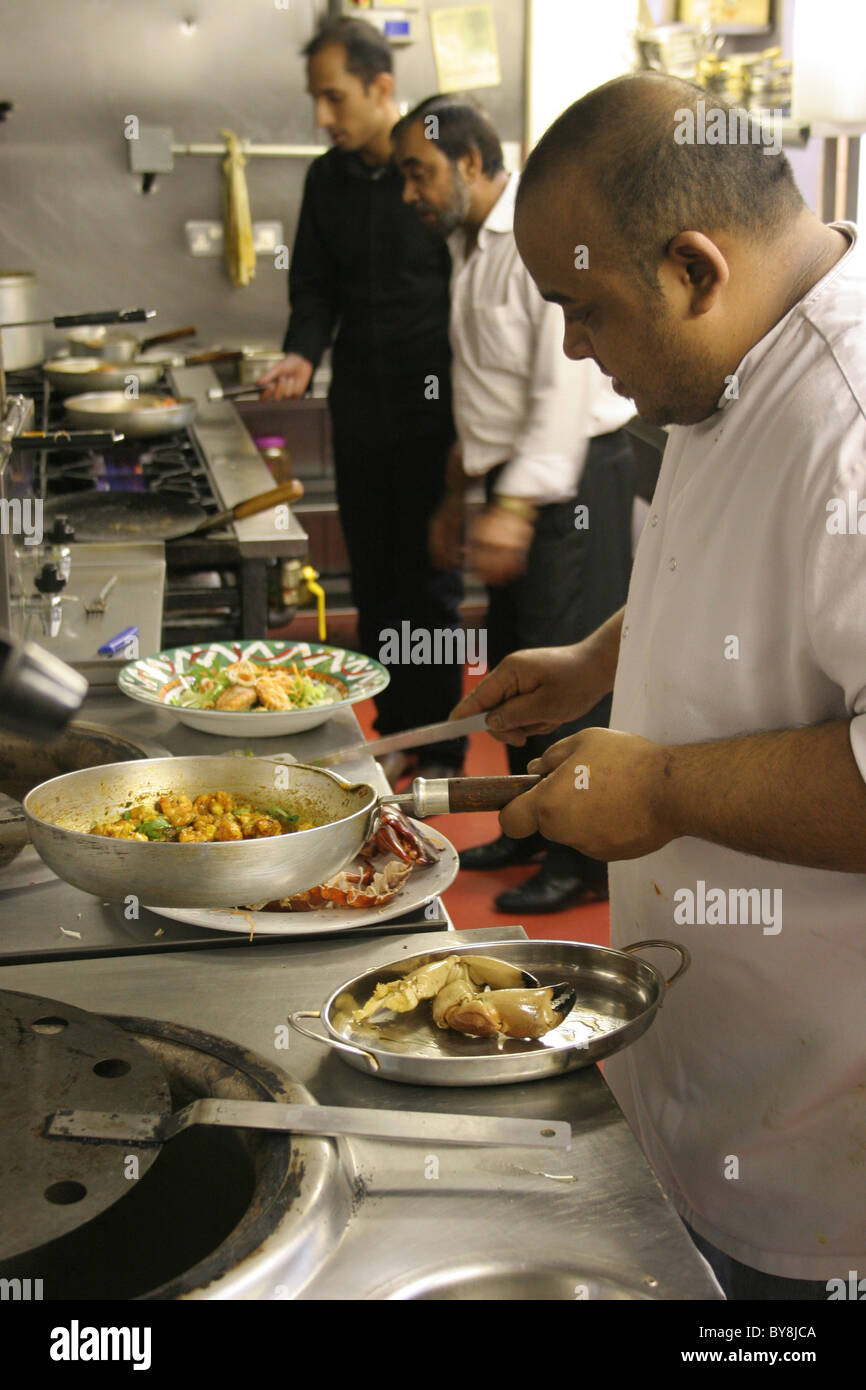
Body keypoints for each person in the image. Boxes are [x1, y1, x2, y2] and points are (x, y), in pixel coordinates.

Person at [452, 72, 866, 1298]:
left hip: (824, 1146)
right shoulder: (724, 361)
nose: (572, 346)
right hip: (707, 1059)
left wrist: (669, 786)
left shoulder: (848, 415)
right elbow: (743, 578)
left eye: (582, 310)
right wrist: (596, 659)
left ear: (691, 268)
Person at [393, 96, 636, 914]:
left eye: (418, 173)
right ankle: (527, 825)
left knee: (570, 672)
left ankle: (583, 858)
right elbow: (487, 394)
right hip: (511, 482)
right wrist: (466, 492)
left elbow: (560, 391)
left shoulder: (535, 234)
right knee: (514, 670)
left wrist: (518, 507)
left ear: (468, 161)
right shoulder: (470, 249)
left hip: (567, 480)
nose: (409, 193)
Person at [259, 17, 465, 781]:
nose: (323, 117)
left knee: (432, 584)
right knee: (375, 580)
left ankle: (443, 743)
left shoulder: (437, 168)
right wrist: (302, 356)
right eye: (316, 98)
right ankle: (398, 728)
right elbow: (314, 286)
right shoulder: (327, 179)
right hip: (360, 410)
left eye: (334, 97)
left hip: (435, 410)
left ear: (383, 87)